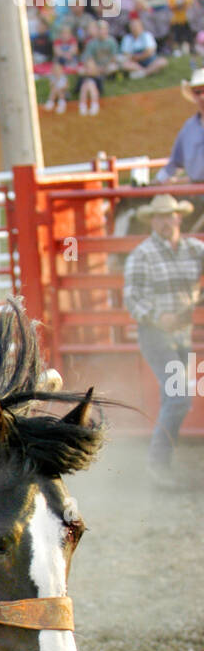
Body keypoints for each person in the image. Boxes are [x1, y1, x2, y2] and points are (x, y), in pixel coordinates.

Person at [123, 193, 203, 482]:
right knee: (179, 397)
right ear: (152, 221)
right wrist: (158, 316)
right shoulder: (143, 254)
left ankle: (160, 463)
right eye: (159, 217)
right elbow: (132, 298)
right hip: (156, 336)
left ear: (178, 218)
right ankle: (157, 465)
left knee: (177, 397)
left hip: (182, 336)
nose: (164, 222)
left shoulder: (194, 250)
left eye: (169, 216)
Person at [157, 68, 204, 186]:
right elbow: (174, 164)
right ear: (193, 95)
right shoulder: (189, 128)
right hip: (196, 195)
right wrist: (156, 182)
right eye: (197, 92)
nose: (202, 97)